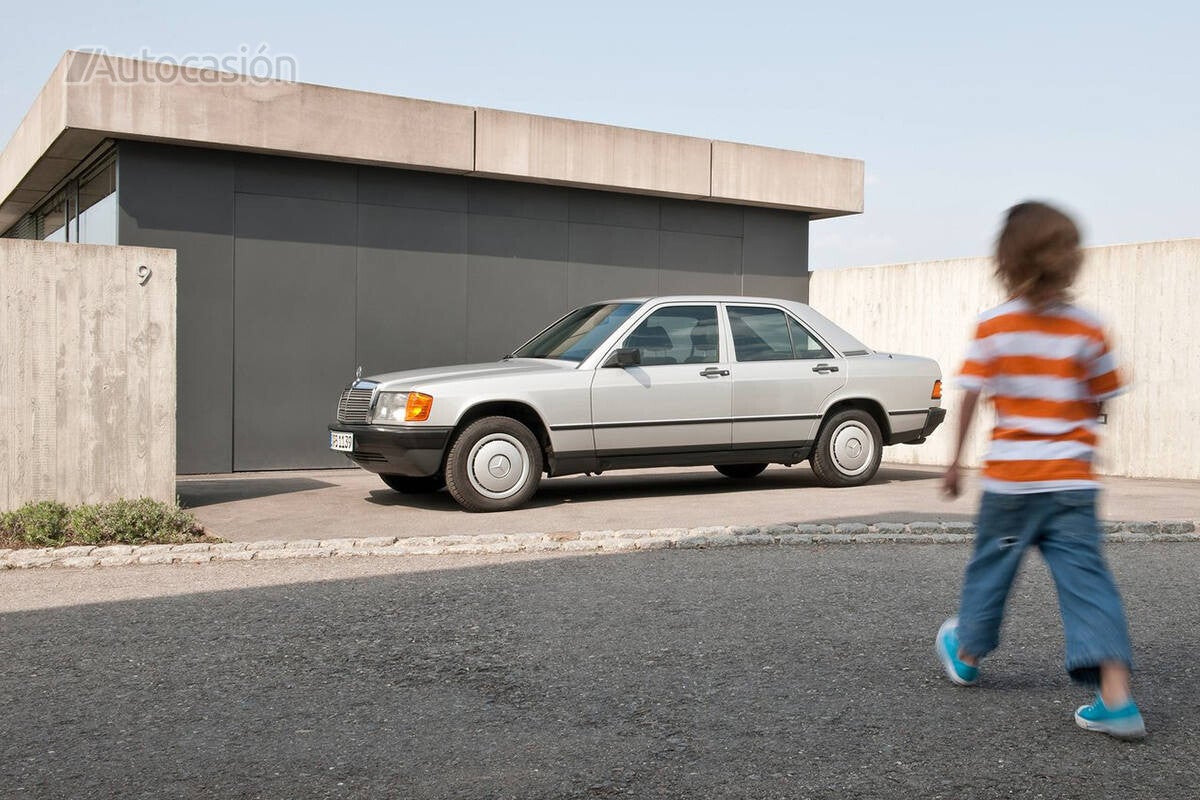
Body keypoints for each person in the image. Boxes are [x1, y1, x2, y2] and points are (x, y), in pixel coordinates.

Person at [935, 201, 1145, 740]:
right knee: (1088, 581)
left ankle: (968, 652)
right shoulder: (1089, 327)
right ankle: (1117, 700)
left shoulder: (994, 326)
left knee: (991, 569)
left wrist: (956, 462)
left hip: (1010, 483)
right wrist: (1085, 435)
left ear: (1006, 261)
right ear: (1071, 261)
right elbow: (1104, 396)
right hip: (1071, 483)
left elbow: (970, 398)